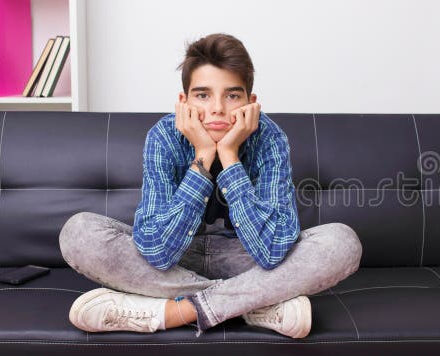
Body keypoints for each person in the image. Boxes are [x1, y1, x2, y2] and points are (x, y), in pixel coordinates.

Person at [58, 33, 362, 339]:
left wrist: (229, 157)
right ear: (184, 101)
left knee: (342, 243)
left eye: (232, 95)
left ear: (250, 103)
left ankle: (176, 311)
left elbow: (271, 251)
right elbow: (157, 251)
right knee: (79, 232)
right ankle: (256, 306)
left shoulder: (269, 138)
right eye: (203, 95)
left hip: (247, 260)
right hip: (178, 260)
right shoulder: (163, 136)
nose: (217, 108)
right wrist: (203, 157)